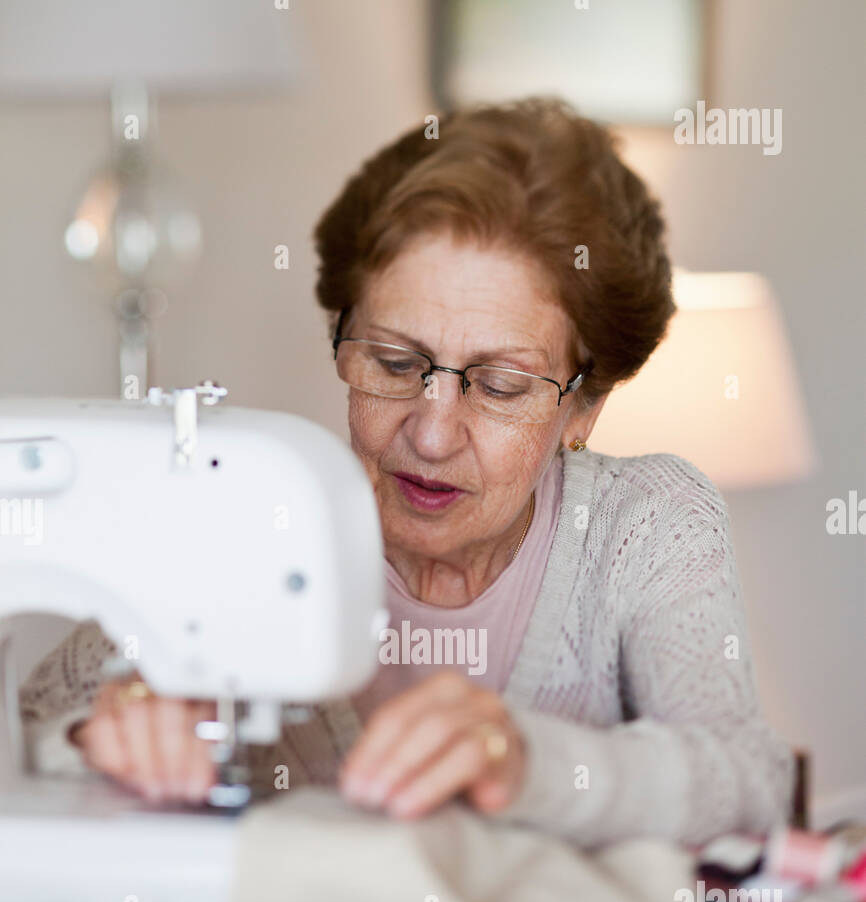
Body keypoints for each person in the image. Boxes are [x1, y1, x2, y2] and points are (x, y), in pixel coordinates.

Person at [19, 98, 793, 849]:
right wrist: (102, 735)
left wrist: (524, 761)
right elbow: (32, 728)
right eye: (393, 362)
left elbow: (744, 782)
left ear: (583, 408)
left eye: (498, 386)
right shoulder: (252, 519)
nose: (428, 433)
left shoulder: (645, 524)